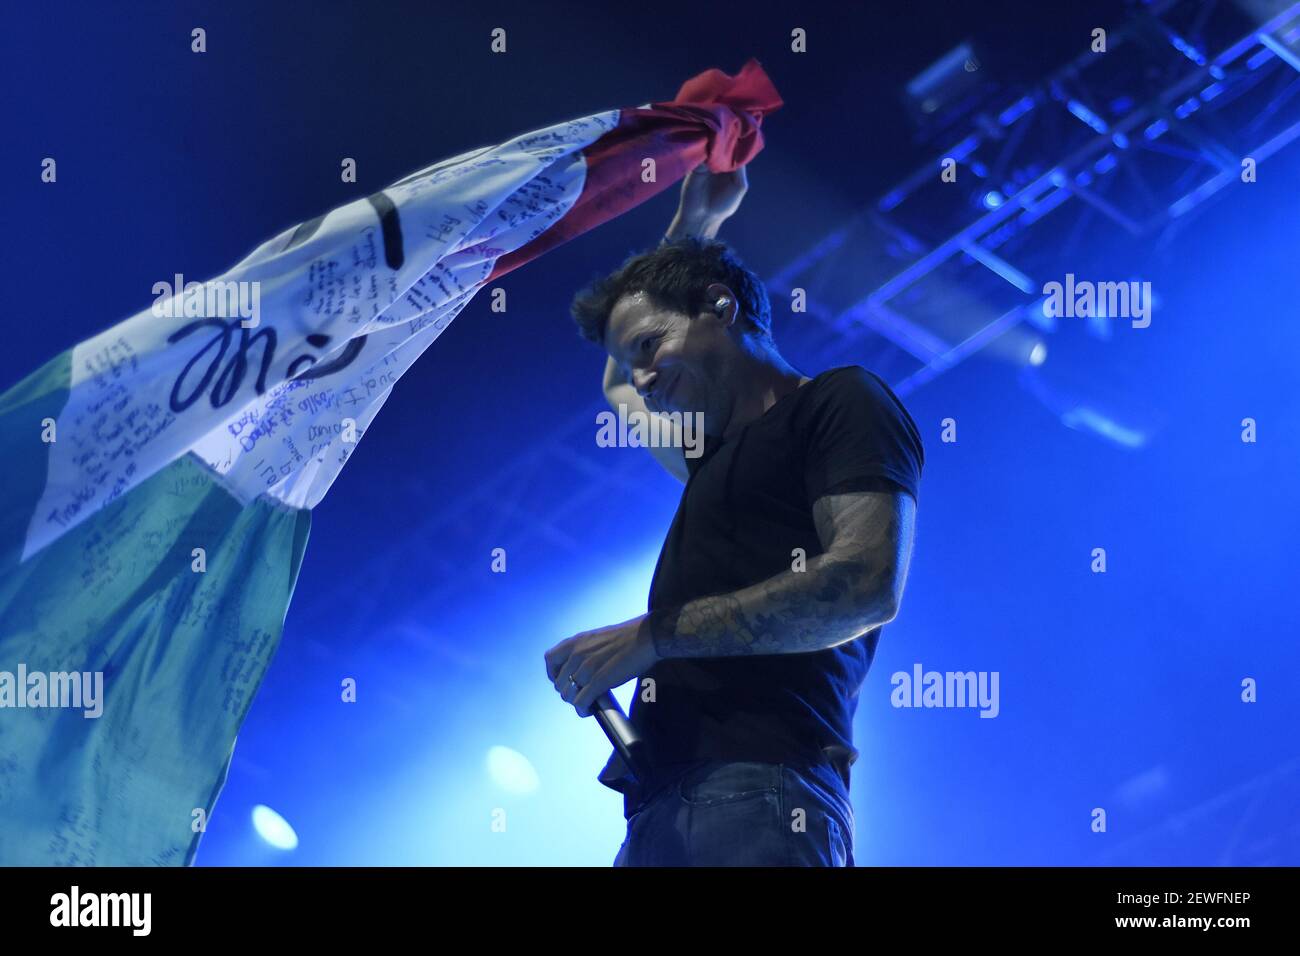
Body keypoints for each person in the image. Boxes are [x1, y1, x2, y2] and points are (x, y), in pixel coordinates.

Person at [543, 163, 924, 866]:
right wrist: (694, 224)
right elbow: (614, 384)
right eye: (635, 365)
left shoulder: (838, 402)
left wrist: (652, 638)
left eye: (650, 348)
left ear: (721, 308)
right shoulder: (706, 453)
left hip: (761, 790)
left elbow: (867, 583)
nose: (643, 381)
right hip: (663, 808)